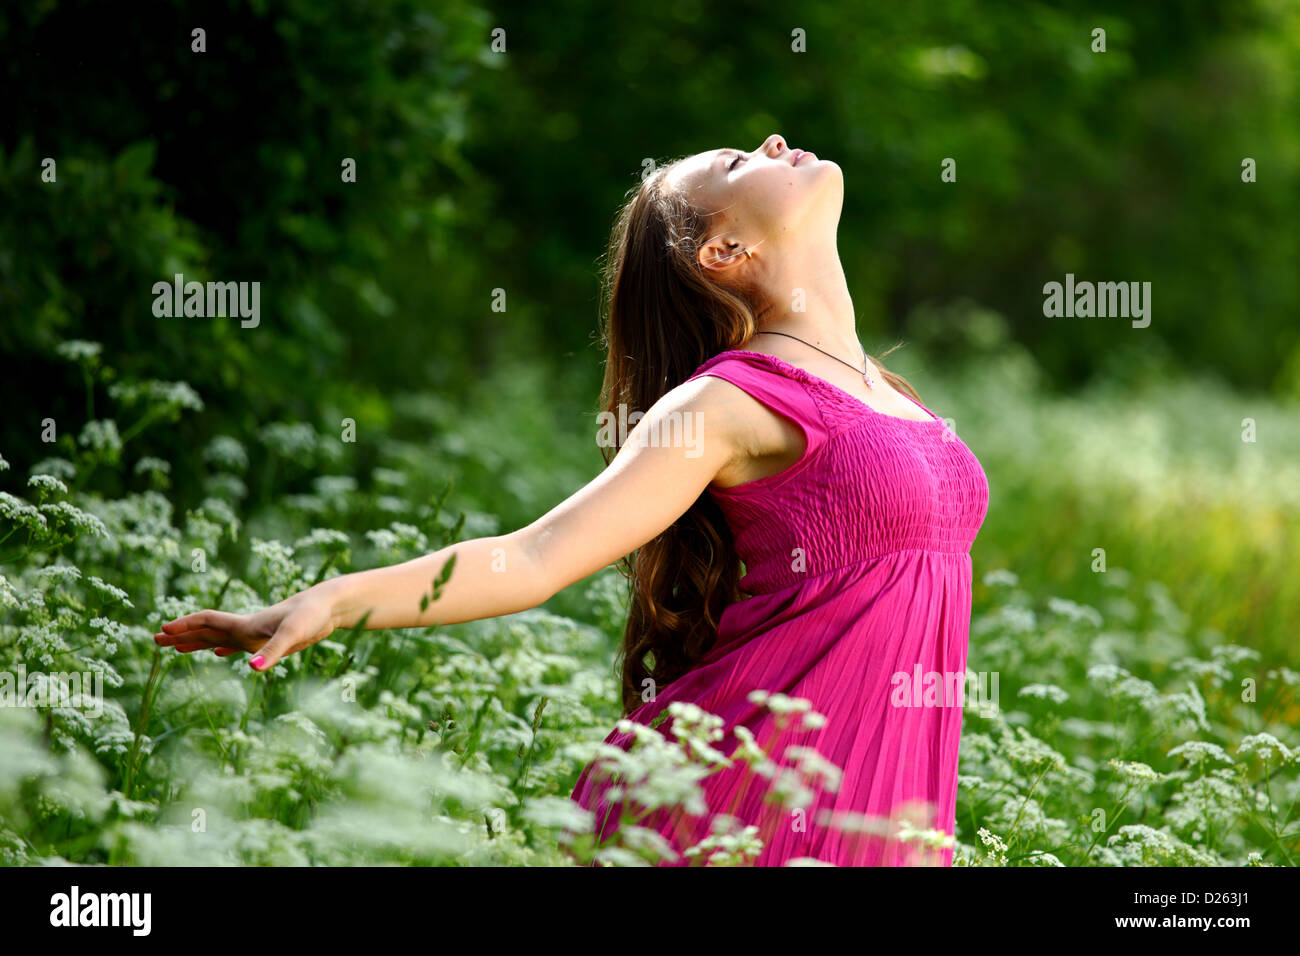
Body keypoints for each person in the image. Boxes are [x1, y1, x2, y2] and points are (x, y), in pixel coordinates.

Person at [155, 134, 989, 866]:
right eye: (739, 162)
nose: (773, 140)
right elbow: (536, 554)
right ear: (724, 250)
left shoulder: (890, 392)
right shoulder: (728, 401)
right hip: (746, 809)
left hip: (886, 808)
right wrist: (332, 602)